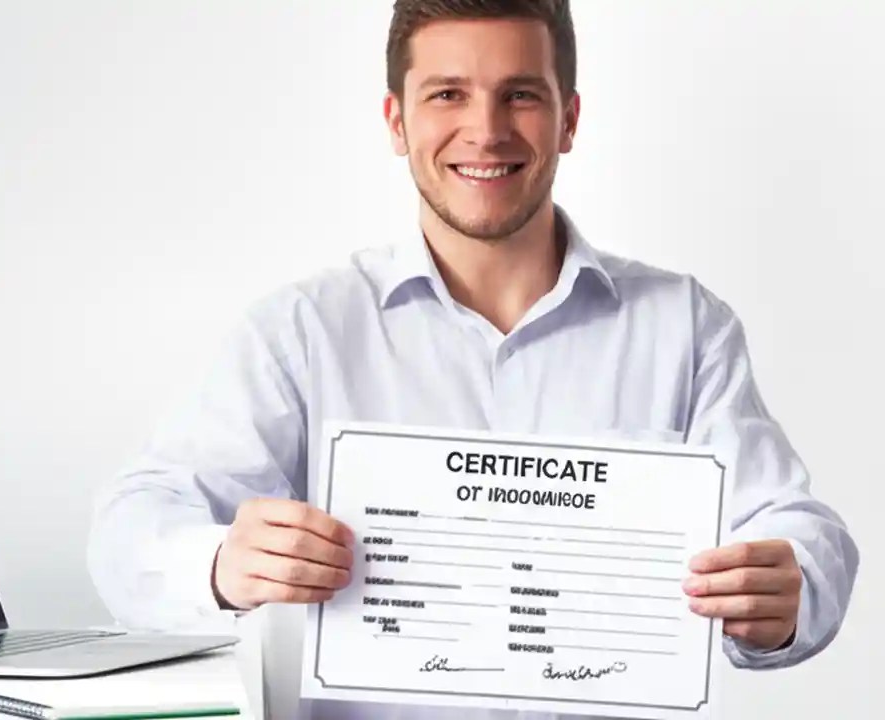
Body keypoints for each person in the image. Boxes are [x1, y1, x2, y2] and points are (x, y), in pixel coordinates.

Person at [87, 1, 859, 717]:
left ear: (568, 119)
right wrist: (221, 563)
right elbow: (129, 531)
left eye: (520, 94)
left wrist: (790, 585)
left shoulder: (685, 327)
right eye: (447, 94)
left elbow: (799, 528)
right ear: (397, 121)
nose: (485, 131)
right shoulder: (303, 332)